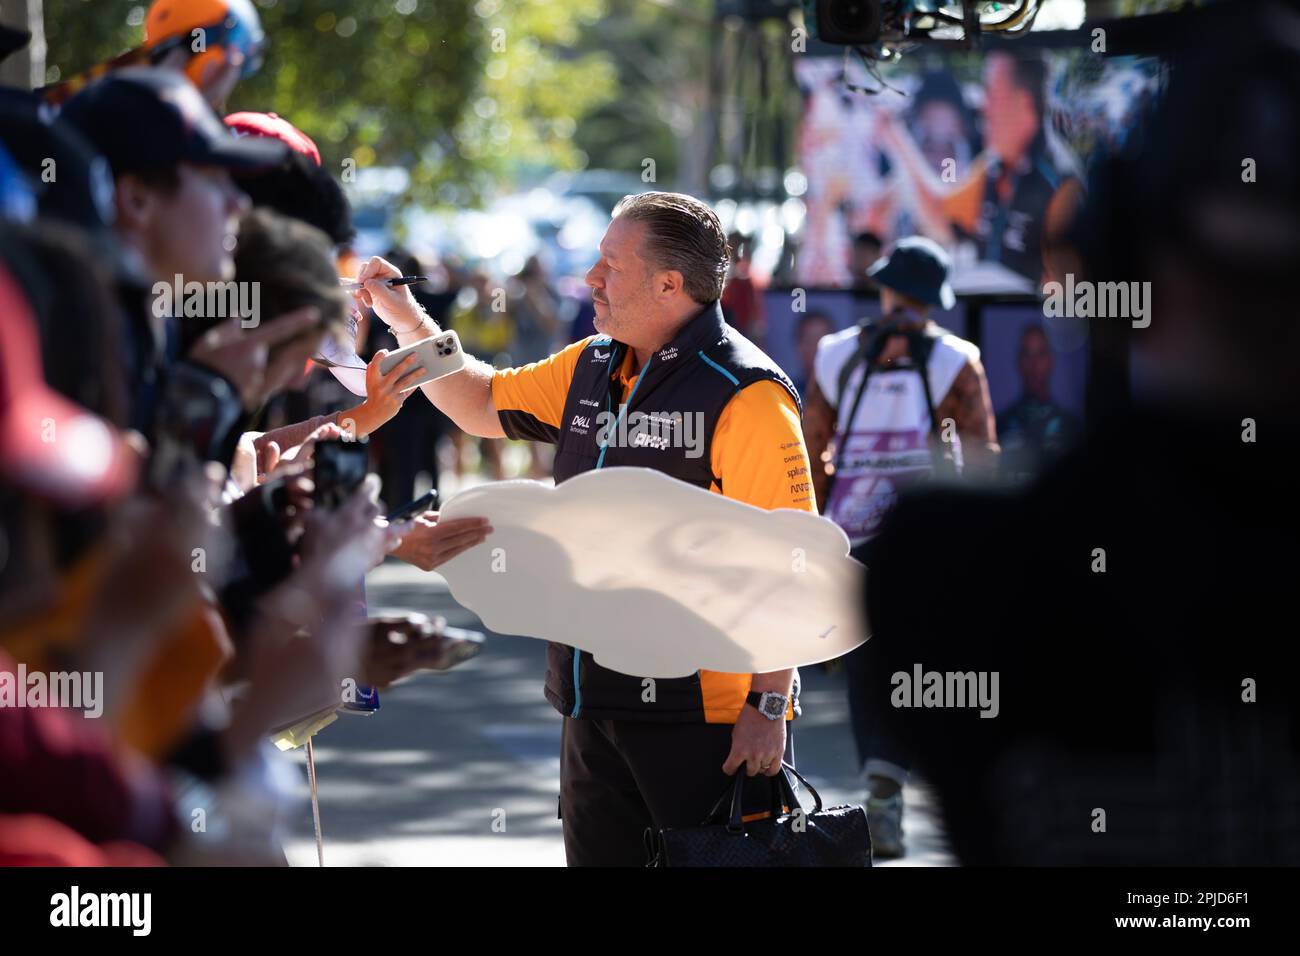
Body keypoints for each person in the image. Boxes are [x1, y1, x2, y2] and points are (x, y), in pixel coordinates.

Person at [354, 191, 816, 866]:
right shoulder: (593, 363)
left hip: (704, 721)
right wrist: (404, 317)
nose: (591, 278)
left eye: (610, 263)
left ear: (669, 283)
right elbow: (482, 401)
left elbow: (791, 563)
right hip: (590, 701)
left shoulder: (747, 394)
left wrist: (770, 704)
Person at [801, 235, 997, 858]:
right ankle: (934, 792)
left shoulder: (836, 356)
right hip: (926, 540)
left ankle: (883, 794)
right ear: (931, 300)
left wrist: (814, 539)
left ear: (886, 290)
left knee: (867, 670)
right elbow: (981, 459)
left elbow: (812, 454)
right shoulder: (956, 361)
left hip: (852, 538)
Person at [996, 323, 1080, 482]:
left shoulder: (1071, 427)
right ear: (1019, 362)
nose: (1034, 365)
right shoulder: (1000, 424)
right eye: (1027, 354)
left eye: (1040, 354)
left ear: (1050, 360)